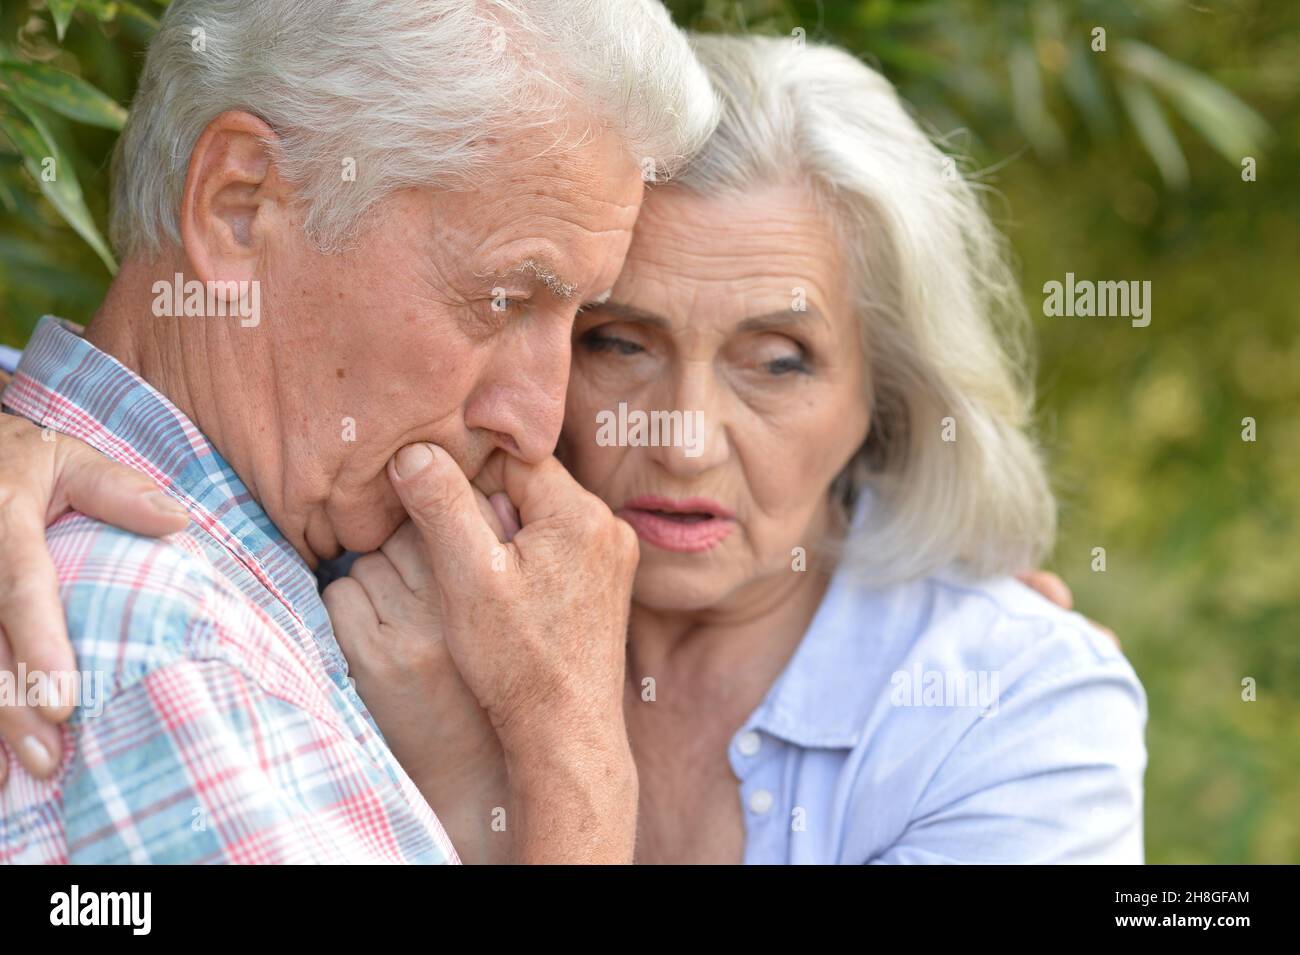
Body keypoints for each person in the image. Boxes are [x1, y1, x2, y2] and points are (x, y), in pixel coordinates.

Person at [321, 35, 1148, 863]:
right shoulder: (389, 617)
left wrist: (488, 796)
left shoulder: (1011, 706)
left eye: (778, 362)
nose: (684, 443)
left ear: (887, 394)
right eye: (620, 344)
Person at [0, 0, 717, 863]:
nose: (539, 424)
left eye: (579, 320)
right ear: (239, 206)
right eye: (502, 299)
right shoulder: (182, 664)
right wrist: (572, 744)